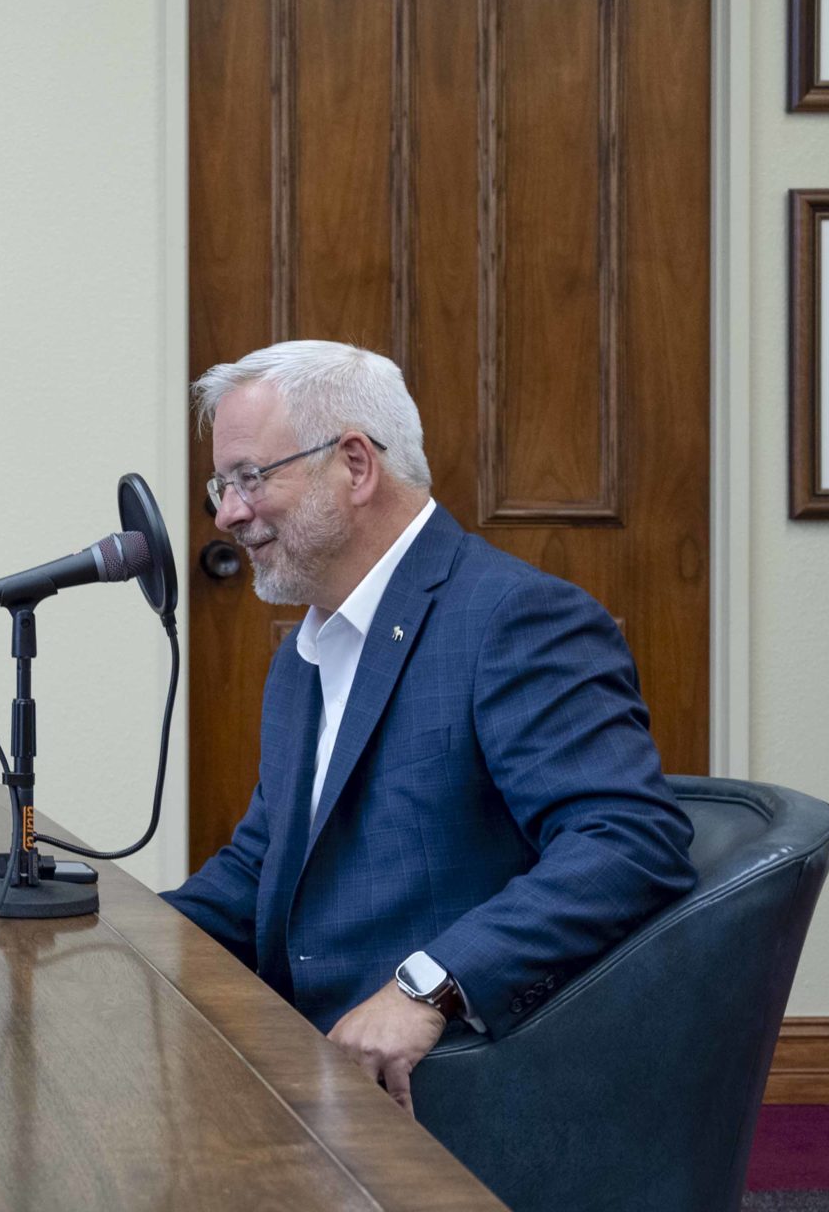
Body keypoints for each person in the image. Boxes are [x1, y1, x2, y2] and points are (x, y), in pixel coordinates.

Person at [163, 340, 693, 1112]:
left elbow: (629, 841)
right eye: (223, 484)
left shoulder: (513, 619)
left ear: (354, 464)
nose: (226, 513)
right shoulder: (304, 656)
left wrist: (428, 986)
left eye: (250, 478)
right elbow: (263, 863)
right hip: (295, 1060)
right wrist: (121, 939)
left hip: (448, 1087)